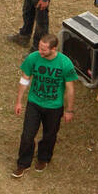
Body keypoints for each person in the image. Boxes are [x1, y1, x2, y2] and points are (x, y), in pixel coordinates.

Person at [12, 32, 76, 178]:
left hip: (54, 107)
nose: (40, 51)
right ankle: (23, 164)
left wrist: (69, 110)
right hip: (34, 103)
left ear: (54, 49)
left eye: (43, 49)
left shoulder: (65, 63)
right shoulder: (33, 58)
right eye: (39, 47)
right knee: (27, 135)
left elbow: (70, 89)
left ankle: (43, 158)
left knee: (49, 135)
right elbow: (25, 79)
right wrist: (19, 101)